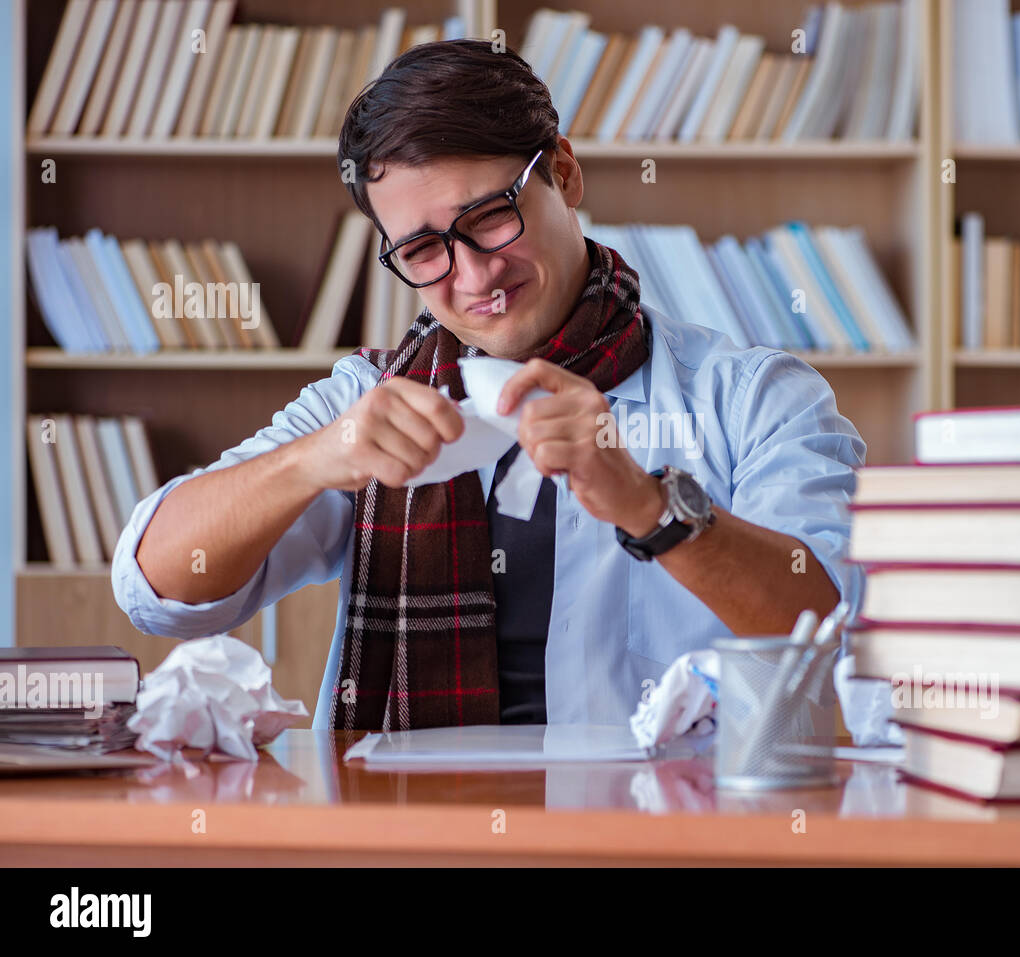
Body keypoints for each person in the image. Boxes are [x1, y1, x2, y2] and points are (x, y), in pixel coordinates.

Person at [112, 39, 867, 734]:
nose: (474, 277)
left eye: (492, 217)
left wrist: (647, 505)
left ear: (563, 173)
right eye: (422, 249)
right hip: (407, 834)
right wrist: (314, 459)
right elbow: (154, 589)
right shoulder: (367, 398)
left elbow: (831, 629)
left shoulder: (754, 396)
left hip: (659, 830)